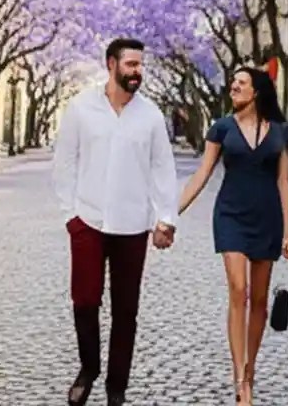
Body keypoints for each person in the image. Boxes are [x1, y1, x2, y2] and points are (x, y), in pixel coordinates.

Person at [52, 37, 180, 406]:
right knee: (85, 300)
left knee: (126, 310)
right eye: (131, 65)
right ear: (111, 64)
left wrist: (165, 218)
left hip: (132, 226)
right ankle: (89, 368)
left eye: (141, 65)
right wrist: (70, 216)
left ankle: (116, 388)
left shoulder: (151, 115)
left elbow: (162, 169)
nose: (138, 72)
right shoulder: (81, 108)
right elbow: (65, 163)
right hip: (87, 222)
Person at [177, 67, 288, 405]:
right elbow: (202, 173)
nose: (234, 87)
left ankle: (251, 370)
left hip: (267, 218)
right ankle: (239, 378)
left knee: (259, 300)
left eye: (241, 83)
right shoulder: (221, 128)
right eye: (233, 83)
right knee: (238, 290)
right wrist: (173, 213)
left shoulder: (283, 132)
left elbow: (283, 184)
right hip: (230, 215)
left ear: (256, 91)